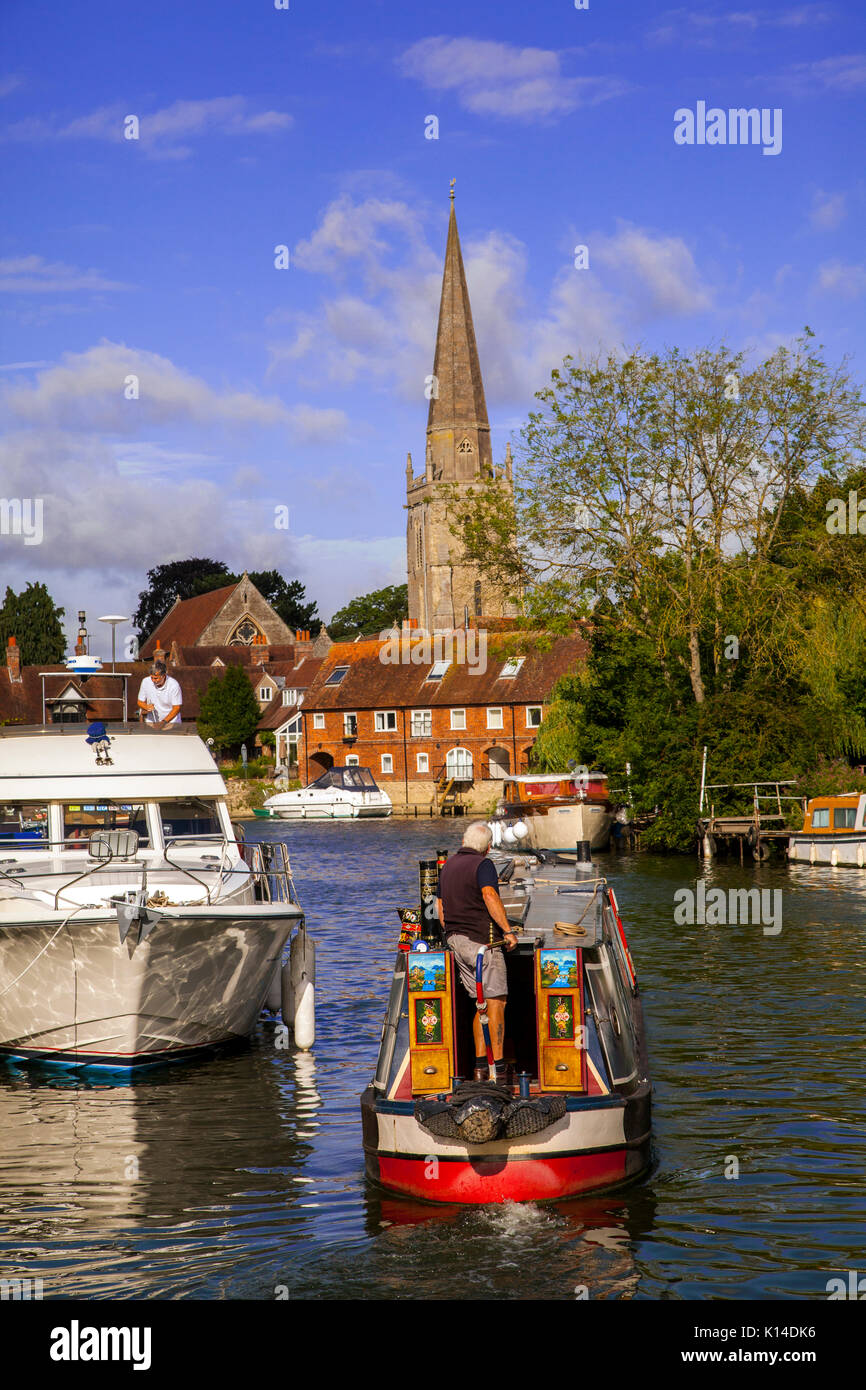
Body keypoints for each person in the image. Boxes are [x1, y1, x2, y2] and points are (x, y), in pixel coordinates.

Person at [436, 821, 518, 1083]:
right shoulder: (483, 865)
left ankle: (480, 1068)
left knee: (480, 1005)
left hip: (456, 941)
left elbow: (439, 906)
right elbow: (489, 895)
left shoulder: (447, 866)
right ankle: (500, 1070)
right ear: (488, 847)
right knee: (497, 1002)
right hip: (482, 945)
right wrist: (507, 930)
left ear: (464, 841)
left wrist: (451, 931)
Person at [137, 661, 182, 729]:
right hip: (152, 723)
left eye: (156, 678)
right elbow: (140, 701)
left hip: (171, 724)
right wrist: (147, 707)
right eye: (151, 677)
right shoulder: (145, 681)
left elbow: (177, 708)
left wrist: (163, 722)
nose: (153, 680)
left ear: (163, 676)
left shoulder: (174, 685)